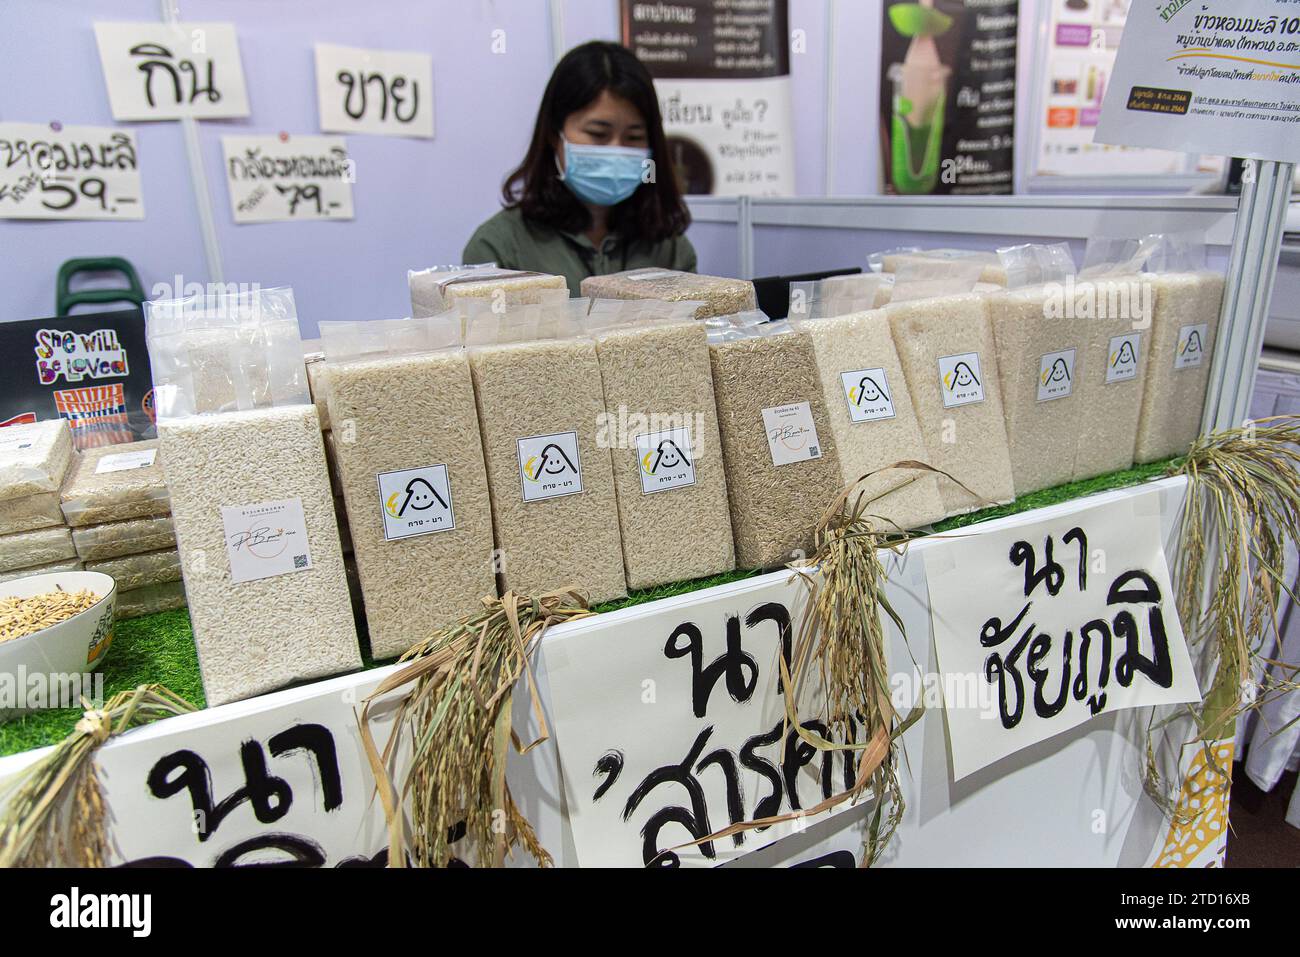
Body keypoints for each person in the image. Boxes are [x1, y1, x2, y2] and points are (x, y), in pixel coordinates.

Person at [462, 41, 696, 294]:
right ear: (555, 134)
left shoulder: (670, 248)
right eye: (598, 134)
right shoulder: (499, 248)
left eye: (634, 137)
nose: (616, 150)